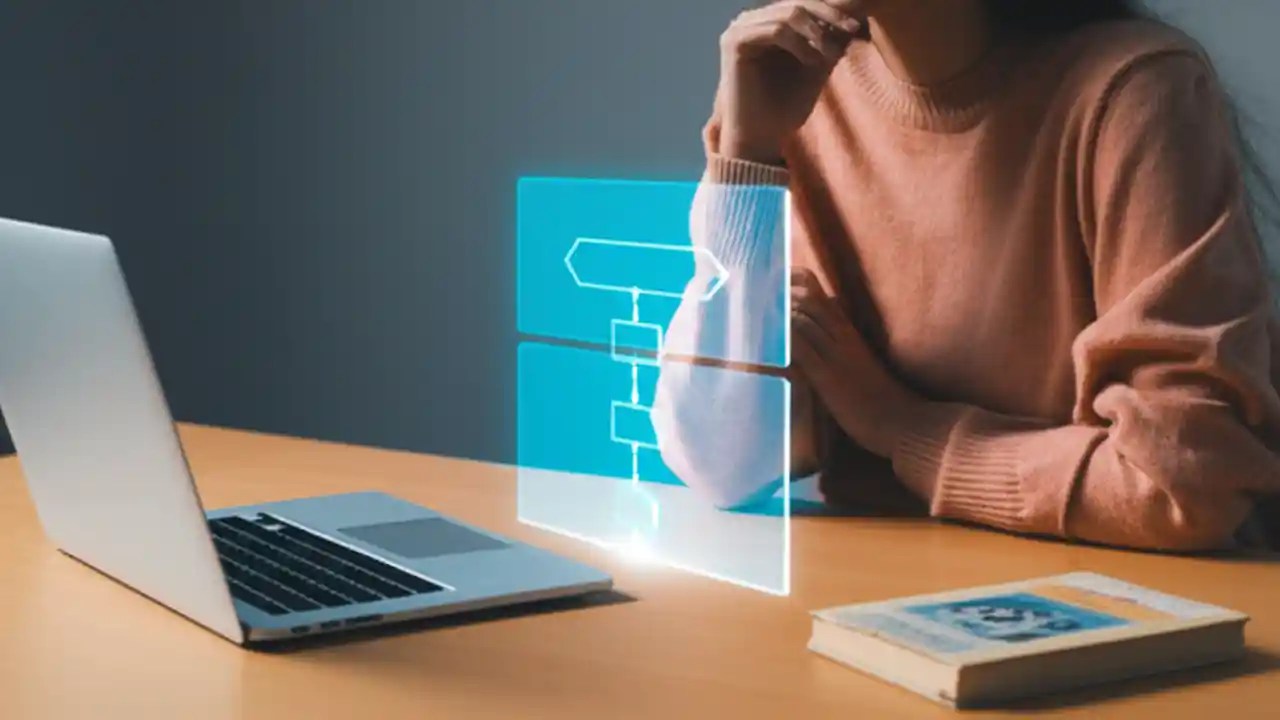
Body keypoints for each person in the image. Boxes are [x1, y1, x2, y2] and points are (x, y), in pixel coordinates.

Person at [651, 0, 1280, 551]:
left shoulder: (1132, 90)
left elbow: (1185, 483)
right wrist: (746, 160)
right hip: (877, 606)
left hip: (1132, 617)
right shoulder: (796, 95)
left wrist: (907, 430)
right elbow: (722, 464)